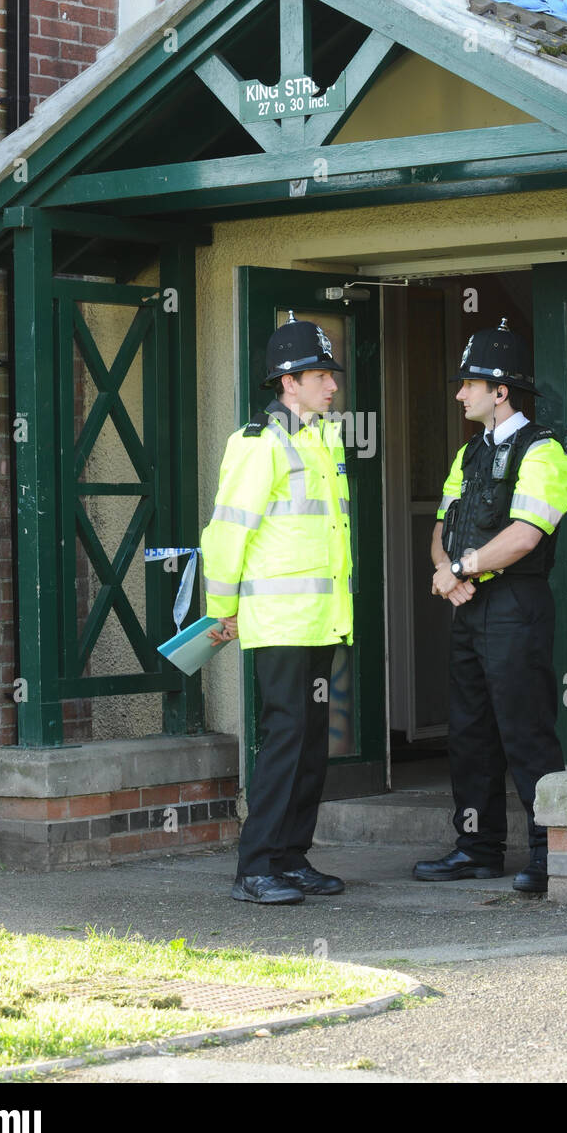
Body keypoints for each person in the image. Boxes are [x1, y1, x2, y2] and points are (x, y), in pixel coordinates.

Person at [413, 319, 567, 894]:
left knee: (526, 731)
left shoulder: (546, 452)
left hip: (516, 605)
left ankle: (549, 852)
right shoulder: (467, 453)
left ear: (500, 391)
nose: (460, 394)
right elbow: (443, 525)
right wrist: (446, 569)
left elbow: (525, 536)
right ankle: (477, 848)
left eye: (469, 384)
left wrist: (460, 569)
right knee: (469, 731)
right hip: (471, 606)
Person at [200, 313, 352, 905]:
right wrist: (221, 611)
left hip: (320, 620)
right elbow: (225, 534)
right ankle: (256, 865)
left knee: (312, 741)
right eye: (321, 376)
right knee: (286, 740)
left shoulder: (321, 440)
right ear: (289, 382)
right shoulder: (257, 444)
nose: (332, 387)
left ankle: (291, 857)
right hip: (279, 622)